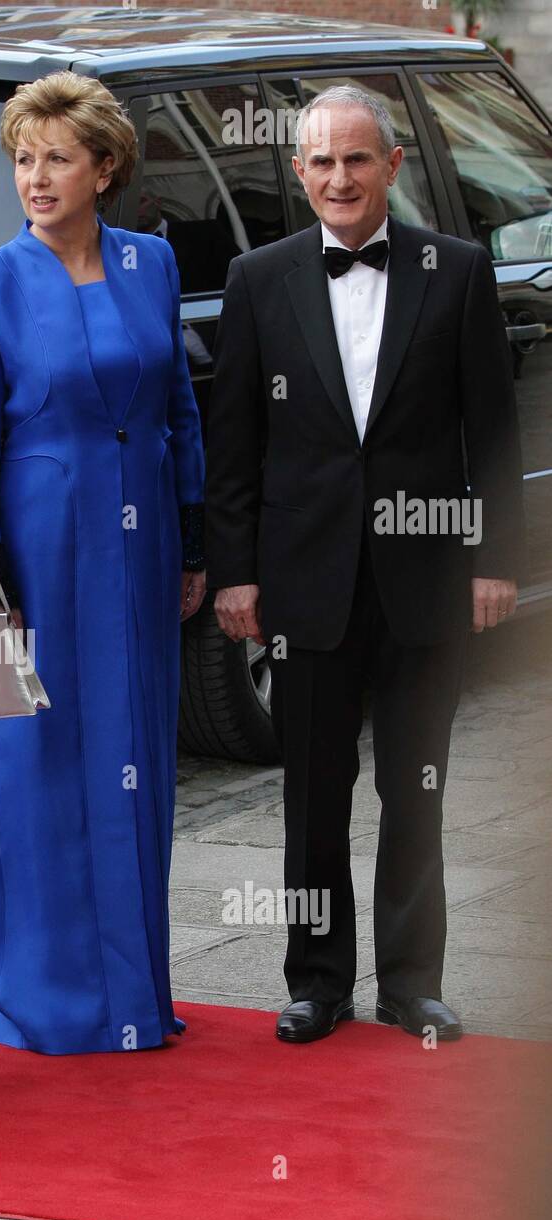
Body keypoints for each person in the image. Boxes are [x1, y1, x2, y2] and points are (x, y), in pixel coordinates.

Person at [205, 86, 525, 1045]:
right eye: (320, 162)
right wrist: (235, 572)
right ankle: (315, 983)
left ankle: (412, 984)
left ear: (391, 167)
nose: (338, 178)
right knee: (311, 791)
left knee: (414, 787)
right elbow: (235, 443)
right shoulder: (257, 278)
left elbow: (493, 432)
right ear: (297, 173)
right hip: (304, 582)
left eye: (356, 160)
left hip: (424, 580)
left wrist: (493, 560)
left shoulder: (457, 270)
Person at [0, 73, 207, 1055]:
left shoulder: (153, 264)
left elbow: (181, 408)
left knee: (133, 750)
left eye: (58, 157)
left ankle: (133, 993)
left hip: (137, 560)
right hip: (30, 562)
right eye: (23, 158)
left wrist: (195, 541)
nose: (37, 176)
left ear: (105, 168)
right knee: (23, 766)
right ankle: (38, 993)